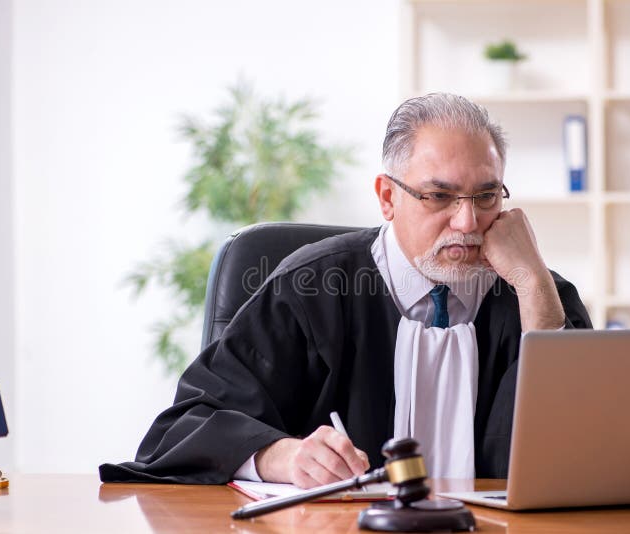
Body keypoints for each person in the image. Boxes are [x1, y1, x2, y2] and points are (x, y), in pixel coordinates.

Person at [100, 93, 591, 487]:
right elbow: (180, 429)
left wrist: (532, 287)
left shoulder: (540, 294)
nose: (466, 221)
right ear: (386, 197)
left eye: (485, 195)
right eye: (438, 196)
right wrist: (281, 456)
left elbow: (584, 455)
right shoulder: (311, 289)